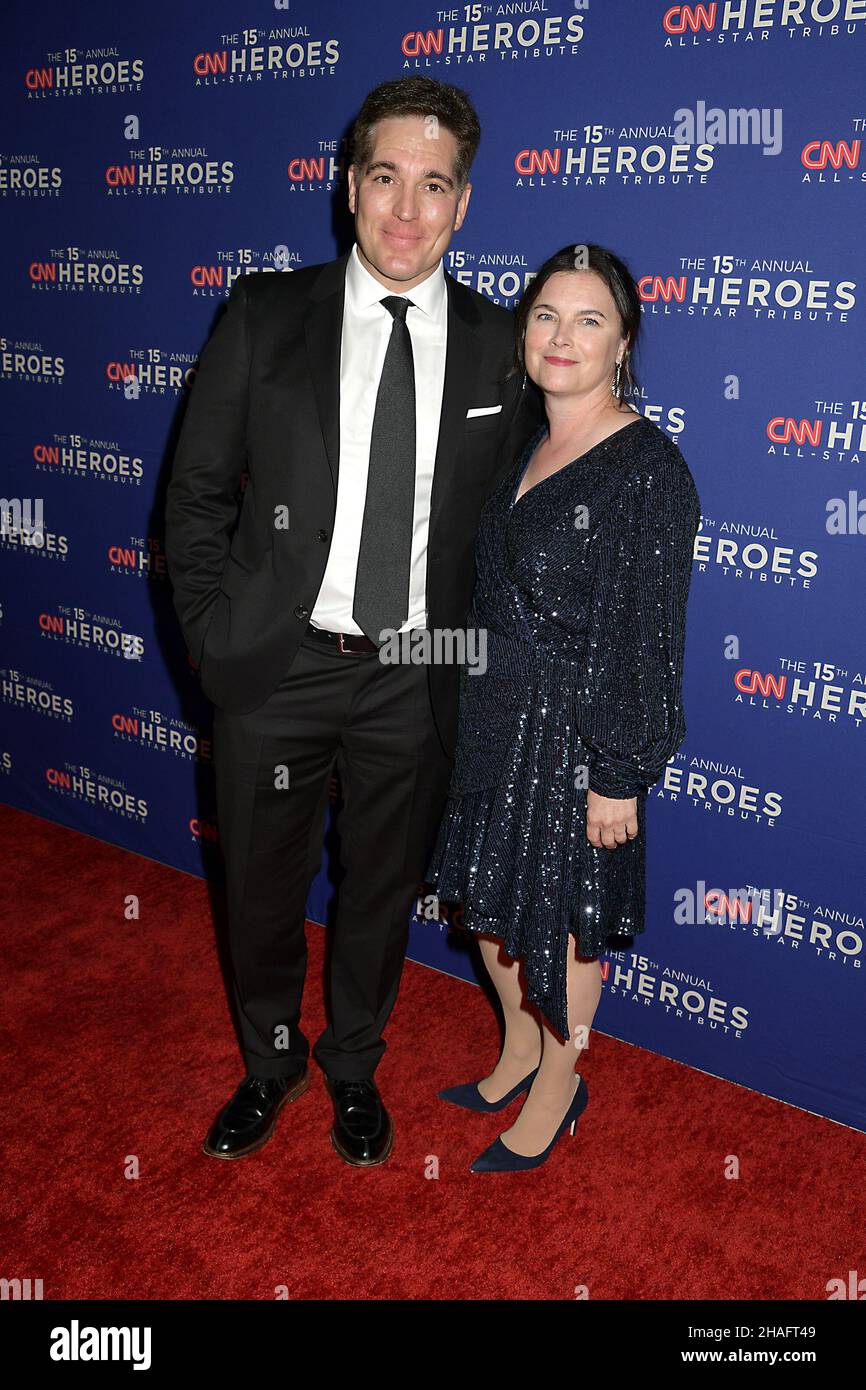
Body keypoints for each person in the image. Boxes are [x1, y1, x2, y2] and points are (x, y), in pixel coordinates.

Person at [164, 75, 543, 1166]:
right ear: (347, 185)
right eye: (385, 177)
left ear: (464, 203)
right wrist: (213, 630)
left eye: (434, 185)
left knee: (379, 890)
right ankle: (269, 1060)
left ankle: (351, 1067)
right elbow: (191, 496)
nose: (406, 211)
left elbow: (550, 488)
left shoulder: (497, 345)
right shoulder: (263, 313)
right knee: (260, 889)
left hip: (415, 671)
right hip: (277, 663)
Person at [424, 243, 702, 1172]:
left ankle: (561, 1079)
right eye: (547, 315)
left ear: (624, 342)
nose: (562, 337)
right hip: (496, 720)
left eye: (590, 320)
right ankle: (515, 1052)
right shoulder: (525, 441)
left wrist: (619, 776)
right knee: (492, 913)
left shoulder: (646, 471)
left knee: (569, 920)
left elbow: (645, 635)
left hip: (576, 740)